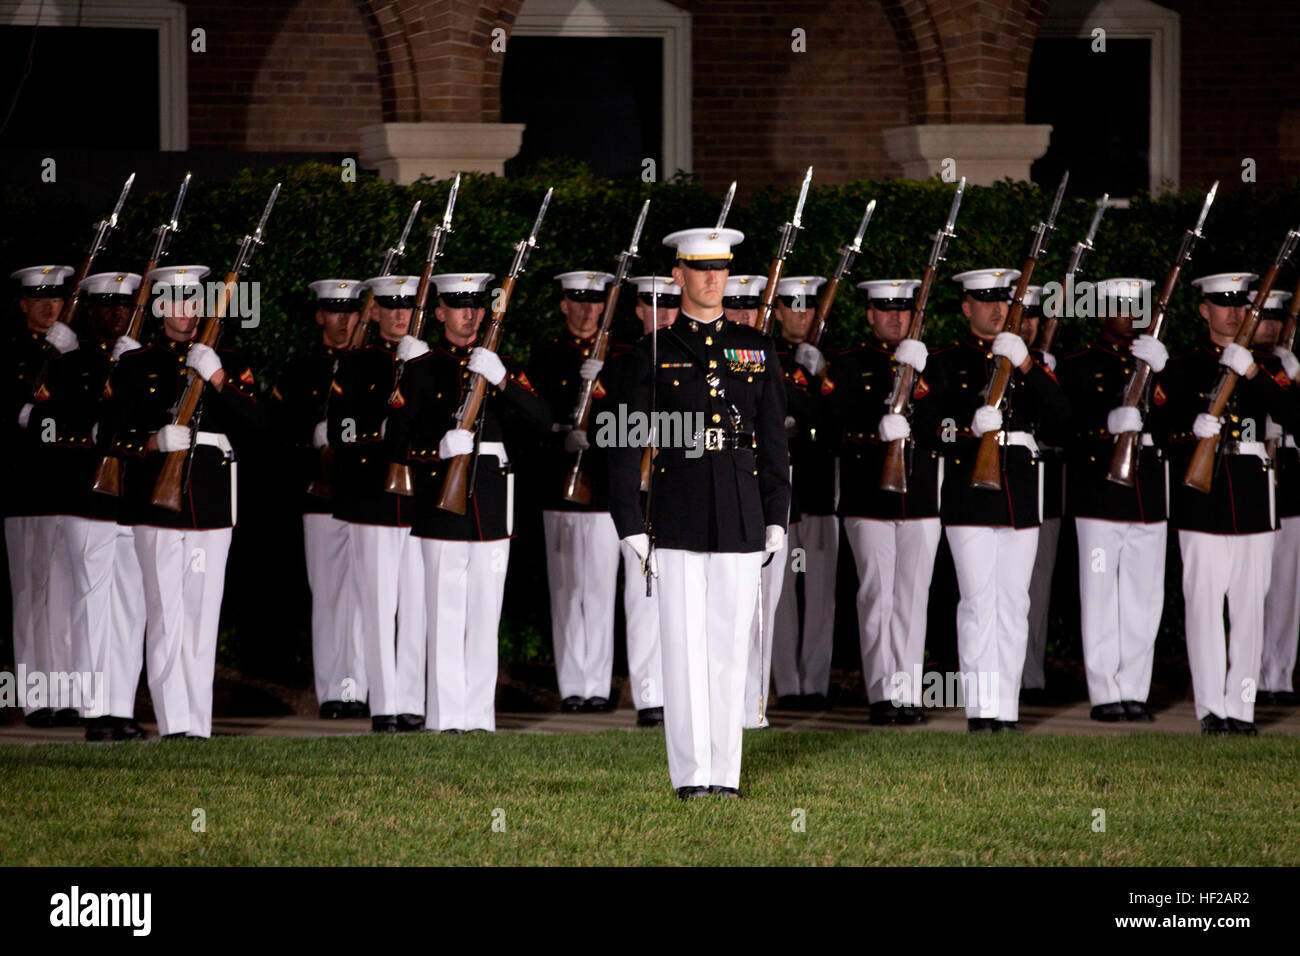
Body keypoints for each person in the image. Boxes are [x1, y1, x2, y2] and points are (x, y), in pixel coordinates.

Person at [608, 226, 790, 799]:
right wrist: (630, 524)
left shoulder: (756, 348)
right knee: (684, 650)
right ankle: (692, 777)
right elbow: (622, 443)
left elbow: (772, 439)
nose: (713, 279)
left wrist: (777, 514)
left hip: (739, 510)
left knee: (731, 649)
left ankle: (725, 776)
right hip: (679, 509)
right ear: (679, 276)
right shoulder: (651, 353)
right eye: (700, 268)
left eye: (721, 269)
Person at [385, 273, 551, 732]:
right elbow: (394, 437)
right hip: (441, 506)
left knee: (484, 618)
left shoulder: (504, 366)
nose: (470, 314)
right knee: (444, 617)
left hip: (493, 508)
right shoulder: (421, 367)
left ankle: (480, 717)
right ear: (439, 312)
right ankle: (446, 717)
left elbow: (543, 420)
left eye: (476, 305)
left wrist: (502, 380)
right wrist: (436, 450)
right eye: (459, 305)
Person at [104, 265, 265, 739]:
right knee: (166, 614)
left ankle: (199, 724)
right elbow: (108, 435)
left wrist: (216, 378)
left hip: (211, 503)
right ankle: (175, 723)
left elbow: (259, 423)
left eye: (195, 302)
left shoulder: (230, 361)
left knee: (201, 616)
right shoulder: (135, 364)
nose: (188, 312)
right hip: (156, 504)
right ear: (159, 309)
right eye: (177, 303)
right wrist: (152, 442)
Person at [918, 268, 1069, 732]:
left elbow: (1064, 421)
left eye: (1004, 302)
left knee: (1014, 603)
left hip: (1020, 491)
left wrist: (1026, 366)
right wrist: (966, 430)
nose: (998, 310)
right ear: (967, 307)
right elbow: (926, 428)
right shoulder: (945, 361)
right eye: (986, 301)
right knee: (978, 602)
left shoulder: (1027, 363)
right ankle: (981, 709)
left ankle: (1007, 708)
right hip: (968, 492)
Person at [1162, 272, 1299, 734]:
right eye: (1223, 304)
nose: (1234, 312)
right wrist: (1189, 434)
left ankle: (1241, 708)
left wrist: (1255, 373)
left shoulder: (1264, 365)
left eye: (1240, 304)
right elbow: (1161, 429)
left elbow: (1291, 413)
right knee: (1203, 607)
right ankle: (1211, 710)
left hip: (1253, 496)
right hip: (1203, 496)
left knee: (1249, 609)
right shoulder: (1182, 365)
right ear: (1204, 310)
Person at [38, 272, 149, 740]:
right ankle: (94, 709)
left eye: (125, 307)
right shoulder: (73, 362)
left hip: (135, 502)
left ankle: (118, 708)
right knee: (93, 607)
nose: (118, 314)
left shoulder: (144, 361)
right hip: (88, 498)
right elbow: (53, 424)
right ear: (92, 312)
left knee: (131, 610)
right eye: (108, 306)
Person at [1057, 277, 1167, 722]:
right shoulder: (1078, 365)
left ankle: (1135, 690)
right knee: (1101, 595)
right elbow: (1063, 426)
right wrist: (1105, 423)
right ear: (1100, 312)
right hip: (1099, 497)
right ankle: (1105, 691)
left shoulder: (1159, 361)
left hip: (1147, 499)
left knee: (1144, 598)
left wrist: (1165, 373)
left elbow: (1185, 421)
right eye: (1121, 306)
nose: (1130, 314)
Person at [832, 278, 937, 725]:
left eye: (904, 310)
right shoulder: (851, 362)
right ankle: (881, 694)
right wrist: (876, 426)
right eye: (886, 310)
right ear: (870, 315)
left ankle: (909, 692)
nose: (896, 318)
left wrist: (921, 383)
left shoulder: (935, 365)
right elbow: (832, 423)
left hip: (920, 499)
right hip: (868, 497)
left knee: (912, 599)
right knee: (877, 596)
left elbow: (950, 429)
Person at [328, 274, 426, 733]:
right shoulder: (356, 364)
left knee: (417, 607)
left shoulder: (433, 361)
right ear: (375, 312)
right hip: (373, 498)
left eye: (408, 306)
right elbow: (339, 431)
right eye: (391, 306)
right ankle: (384, 704)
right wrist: (380, 433)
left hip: (423, 502)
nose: (400, 314)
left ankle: (411, 701)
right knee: (379, 605)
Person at [271, 278, 368, 719]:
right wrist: (308, 440)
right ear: (320, 316)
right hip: (320, 495)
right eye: (335, 312)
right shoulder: (301, 370)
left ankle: (361, 690)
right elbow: (273, 428)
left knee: (369, 597)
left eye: (351, 312)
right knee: (329, 597)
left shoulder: (374, 364)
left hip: (367, 497)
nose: (344, 321)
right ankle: (334, 692)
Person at [527, 270, 621, 714]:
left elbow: (632, 419)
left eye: (594, 302)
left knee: (601, 591)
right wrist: (561, 436)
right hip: (559, 486)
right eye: (578, 301)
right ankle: (571, 688)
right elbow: (532, 419)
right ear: (564, 304)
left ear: (604, 306)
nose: (586, 310)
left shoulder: (618, 356)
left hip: (602, 490)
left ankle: (597, 686)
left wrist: (609, 381)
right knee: (566, 591)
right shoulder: (545, 355)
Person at [606, 275, 679, 727]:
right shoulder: (620, 361)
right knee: (643, 595)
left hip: (681, 488)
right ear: (638, 309)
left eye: (672, 304)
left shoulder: (692, 355)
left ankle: (681, 692)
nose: (664, 313)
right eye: (655, 305)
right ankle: (651, 695)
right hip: (642, 488)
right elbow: (609, 433)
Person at [7, 265, 77, 727]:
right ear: (24, 305)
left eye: (56, 297)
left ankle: (68, 692)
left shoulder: (74, 351)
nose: (50, 305)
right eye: (40, 298)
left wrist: (68, 359)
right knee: (30, 594)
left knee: (65, 595)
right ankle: (35, 697)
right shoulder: (11, 352)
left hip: (65, 488)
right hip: (22, 488)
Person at [768, 275, 838, 710]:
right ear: (777, 313)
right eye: (791, 308)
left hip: (819, 489)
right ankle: (787, 684)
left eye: (807, 308)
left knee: (820, 592)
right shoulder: (764, 355)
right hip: (782, 493)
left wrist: (821, 374)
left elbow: (838, 420)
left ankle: (816, 683)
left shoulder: (832, 360)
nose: (800, 316)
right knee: (783, 594)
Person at [1252, 287, 1300, 707]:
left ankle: (1278, 675)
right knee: (1251, 589)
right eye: (1263, 315)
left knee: (1285, 587)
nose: (1270, 324)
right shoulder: (1236, 363)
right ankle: (1248, 675)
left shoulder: (1286, 367)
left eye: (1276, 316)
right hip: (1249, 483)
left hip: (1287, 483)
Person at [1018, 285, 1063, 703]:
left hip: (1044, 495)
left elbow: (1059, 428)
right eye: (1025, 314)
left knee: (1038, 589)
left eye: (1037, 315)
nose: (1030, 323)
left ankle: (1031, 675)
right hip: (1006, 494)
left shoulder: (1048, 369)